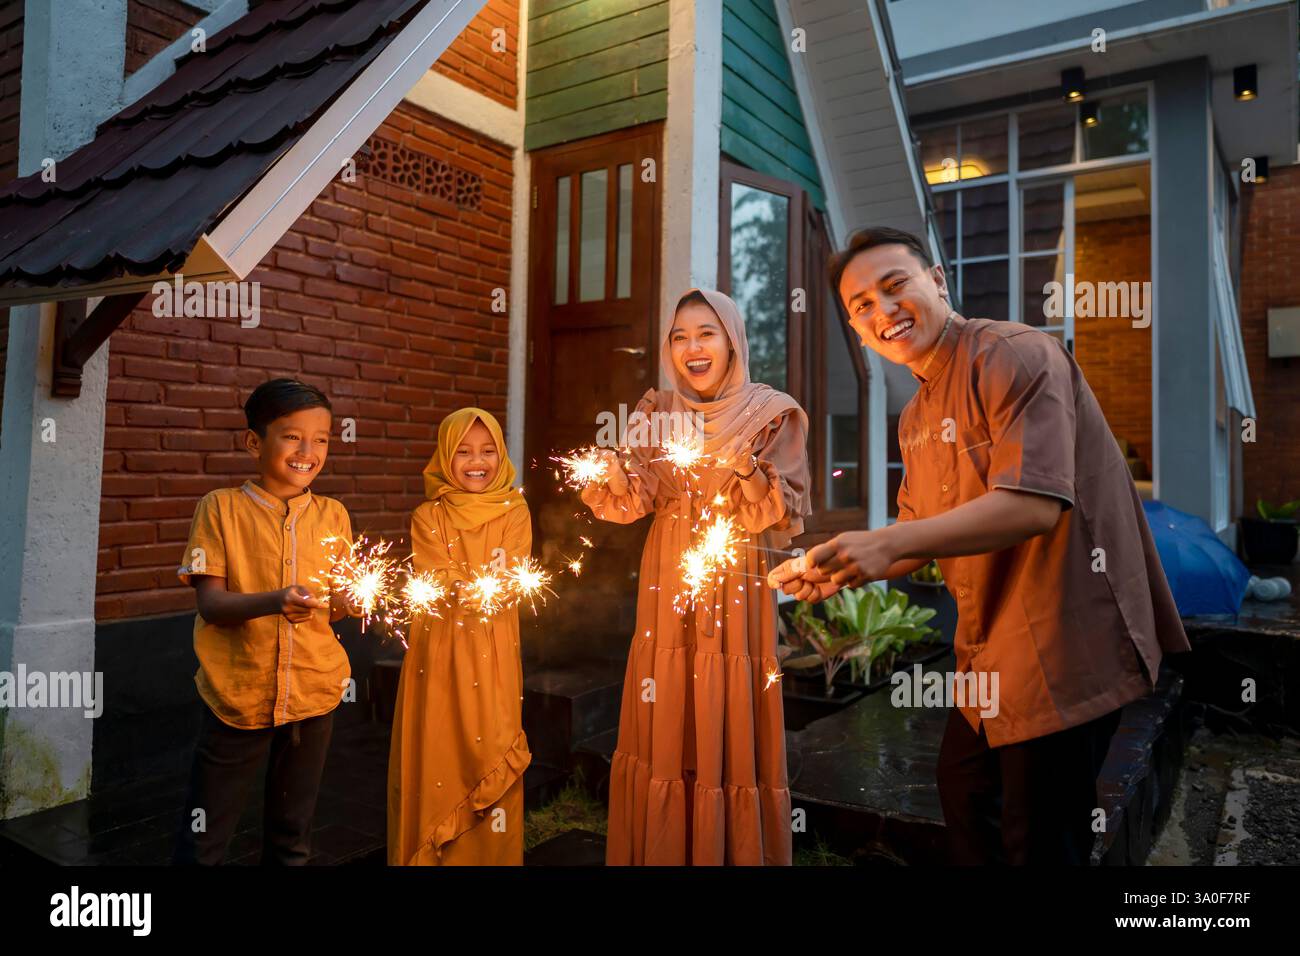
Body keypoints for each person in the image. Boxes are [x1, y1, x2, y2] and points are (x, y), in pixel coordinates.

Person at [769, 226, 1190, 865]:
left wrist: (886, 545)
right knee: (966, 794)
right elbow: (916, 532)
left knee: (1040, 838)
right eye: (861, 306)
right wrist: (843, 566)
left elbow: (1033, 503)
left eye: (894, 286)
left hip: (1061, 641)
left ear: (937, 280)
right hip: (987, 650)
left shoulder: (1014, 354)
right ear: (856, 330)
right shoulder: (914, 416)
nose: (882, 312)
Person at [582, 288, 811, 865]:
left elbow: (780, 516)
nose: (692, 347)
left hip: (735, 575)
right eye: (679, 336)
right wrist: (612, 471)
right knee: (669, 703)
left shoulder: (772, 413)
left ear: (731, 340)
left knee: (726, 703)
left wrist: (746, 468)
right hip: (666, 578)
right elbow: (631, 501)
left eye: (706, 332)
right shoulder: (657, 411)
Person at [174, 377, 356, 865]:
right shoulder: (220, 509)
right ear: (254, 441)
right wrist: (274, 600)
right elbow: (210, 604)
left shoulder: (334, 515)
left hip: (313, 692)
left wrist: (351, 601)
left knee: (292, 834)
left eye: (321, 439)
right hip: (239, 694)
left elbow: (336, 603)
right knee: (205, 837)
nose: (308, 450)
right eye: (292, 435)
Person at [387, 408, 532, 865]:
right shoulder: (428, 514)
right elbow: (438, 572)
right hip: (441, 644)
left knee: (492, 738)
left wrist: (484, 586)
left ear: (502, 456)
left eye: (489, 451)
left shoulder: (515, 508)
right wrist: (472, 586)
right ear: (445, 457)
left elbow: (513, 572)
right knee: (440, 741)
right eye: (464, 451)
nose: (477, 461)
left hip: (493, 644)